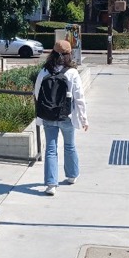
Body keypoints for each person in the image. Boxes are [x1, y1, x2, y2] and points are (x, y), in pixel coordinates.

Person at [33, 39, 89, 195]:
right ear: (69, 54)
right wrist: (84, 119)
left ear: (52, 53)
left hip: (48, 116)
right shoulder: (72, 73)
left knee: (51, 149)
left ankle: (51, 184)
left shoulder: (44, 71)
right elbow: (79, 98)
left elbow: (37, 93)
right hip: (66, 116)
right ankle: (72, 175)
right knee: (69, 146)